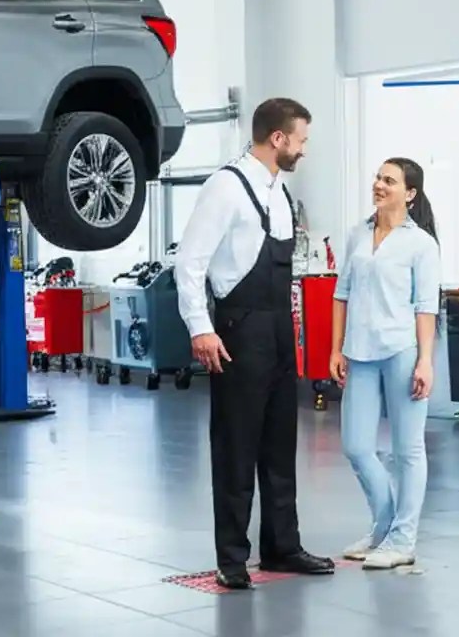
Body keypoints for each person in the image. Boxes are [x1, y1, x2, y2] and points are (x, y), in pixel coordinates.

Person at [175, 97, 335, 589]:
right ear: (278, 139)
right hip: (238, 329)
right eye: (301, 140)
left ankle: (282, 546)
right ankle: (232, 557)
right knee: (236, 446)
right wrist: (200, 327)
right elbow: (190, 262)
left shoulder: (279, 192)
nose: (304, 150)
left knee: (279, 443)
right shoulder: (227, 186)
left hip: (279, 328)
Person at [329, 156, 441, 571]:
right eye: (377, 177)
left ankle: (402, 539)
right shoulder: (357, 233)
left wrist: (425, 361)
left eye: (389, 180)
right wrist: (335, 349)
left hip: (401, 351)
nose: (378, 184)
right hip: (359, 352)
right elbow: (341, 294)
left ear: (409, 194)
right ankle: (385, 526)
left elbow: (427, 308)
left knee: (407, 449)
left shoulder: (421, 244)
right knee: (356, 446)